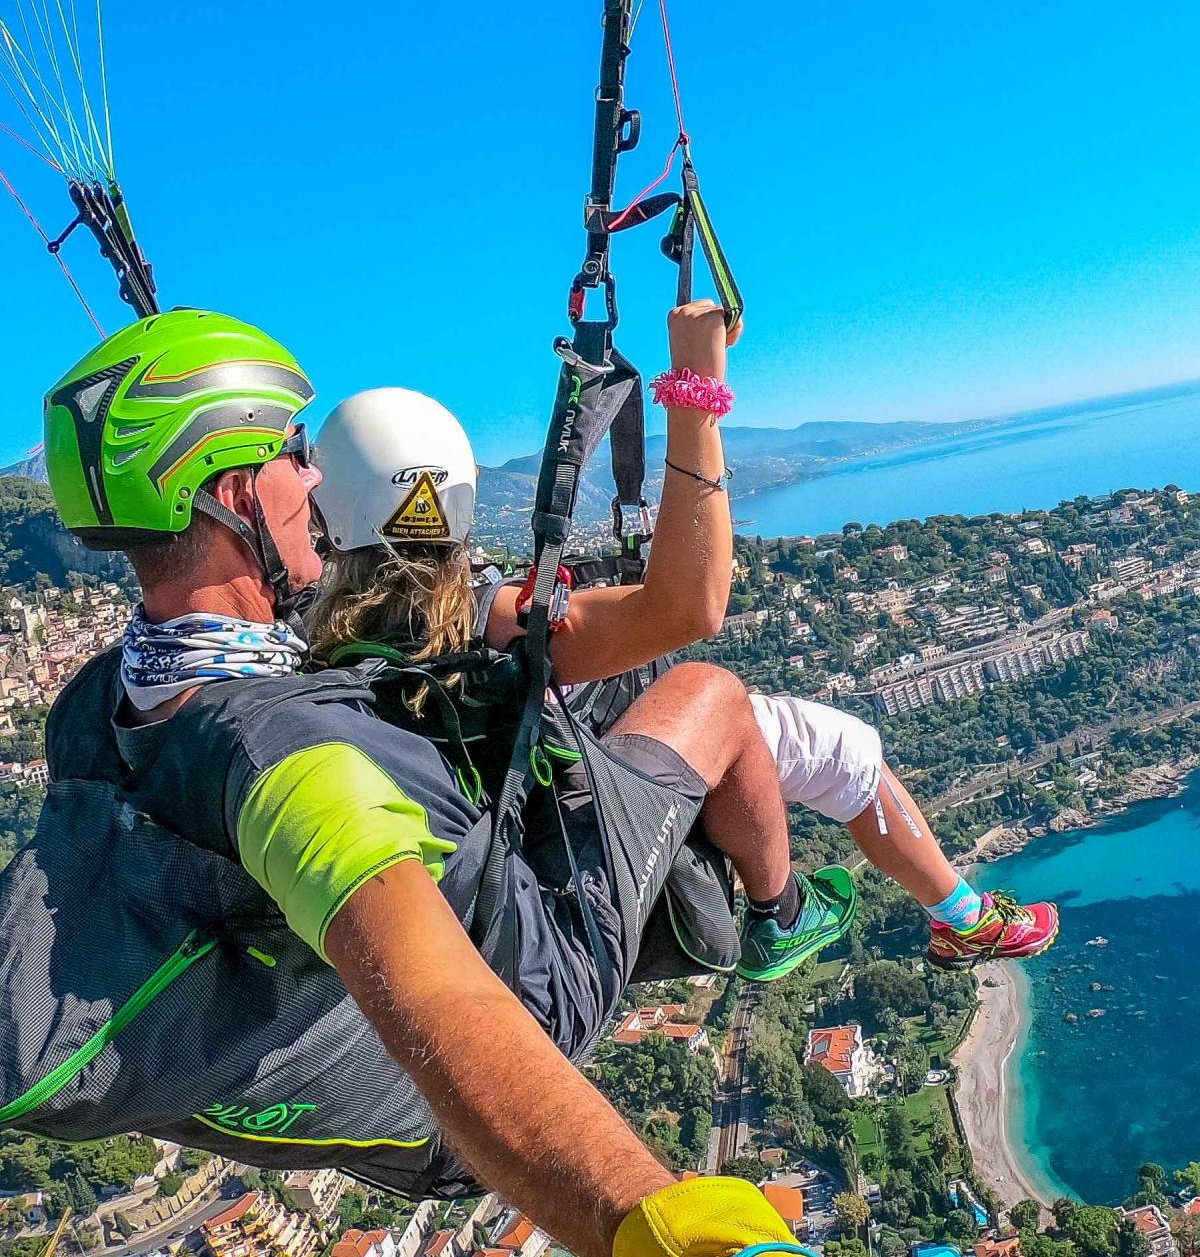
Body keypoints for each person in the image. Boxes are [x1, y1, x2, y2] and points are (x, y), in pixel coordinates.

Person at [3, 305, 837, 1257]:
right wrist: (651, 1221)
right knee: (709, 696)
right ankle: (778, 916)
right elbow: (442, 996)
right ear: (233, 490)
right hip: (522, 997)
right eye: (290, 452)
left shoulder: (91, 707)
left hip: (367, 1083)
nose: (312, 477)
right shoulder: (290, 760)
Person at [311, 305, 1059, 976]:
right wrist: (695, 396)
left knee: (824, 742)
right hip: (588, 784)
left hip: (514, 802)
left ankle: (951, 918)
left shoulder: (320, 630)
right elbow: (691, 608)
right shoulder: (486, 623)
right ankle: (799, 915)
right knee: (828, 744)